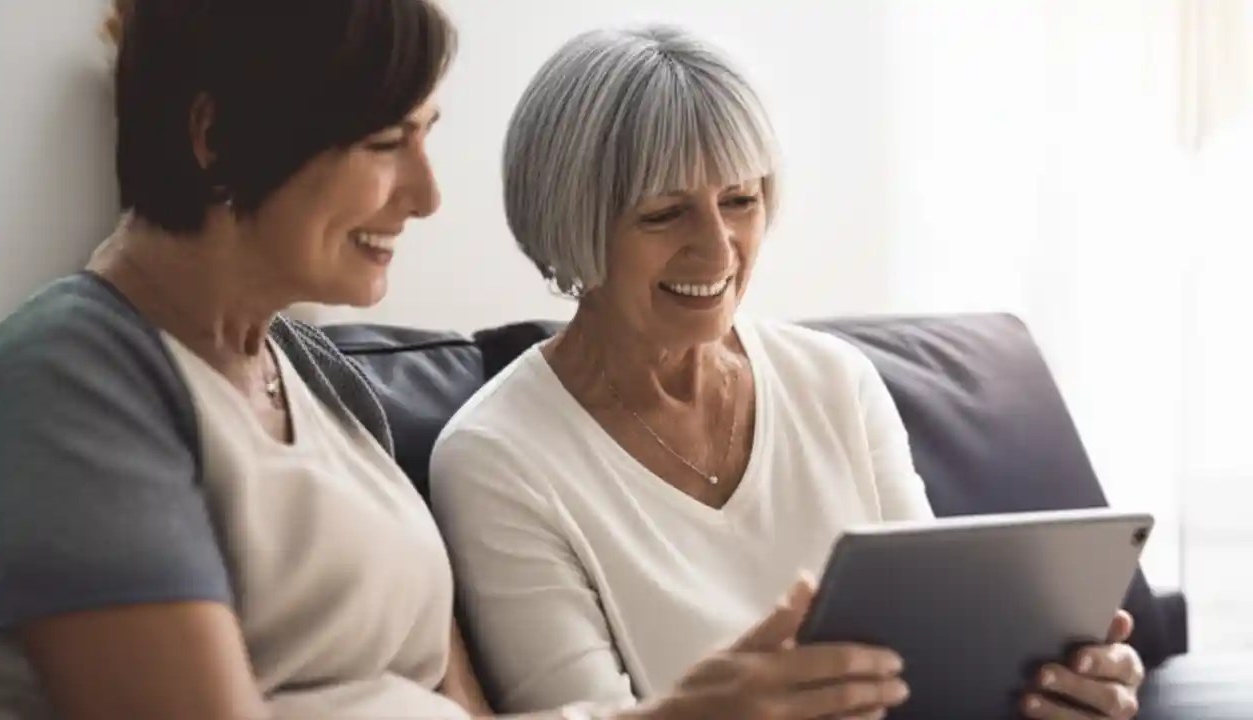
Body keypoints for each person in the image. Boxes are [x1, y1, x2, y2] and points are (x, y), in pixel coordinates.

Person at [0, 2, 922, 719]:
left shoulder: (317, 380)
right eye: (389, 143)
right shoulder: (76, 377)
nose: (427, 196)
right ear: (215, 137)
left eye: (426, 139)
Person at [429, 24, 1146, 720]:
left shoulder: (836, 381)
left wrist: (1050, 687)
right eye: (666, 213)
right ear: (573, 219)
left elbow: (941, 651)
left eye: (739, 201)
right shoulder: (497, 459)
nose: (718, 250)